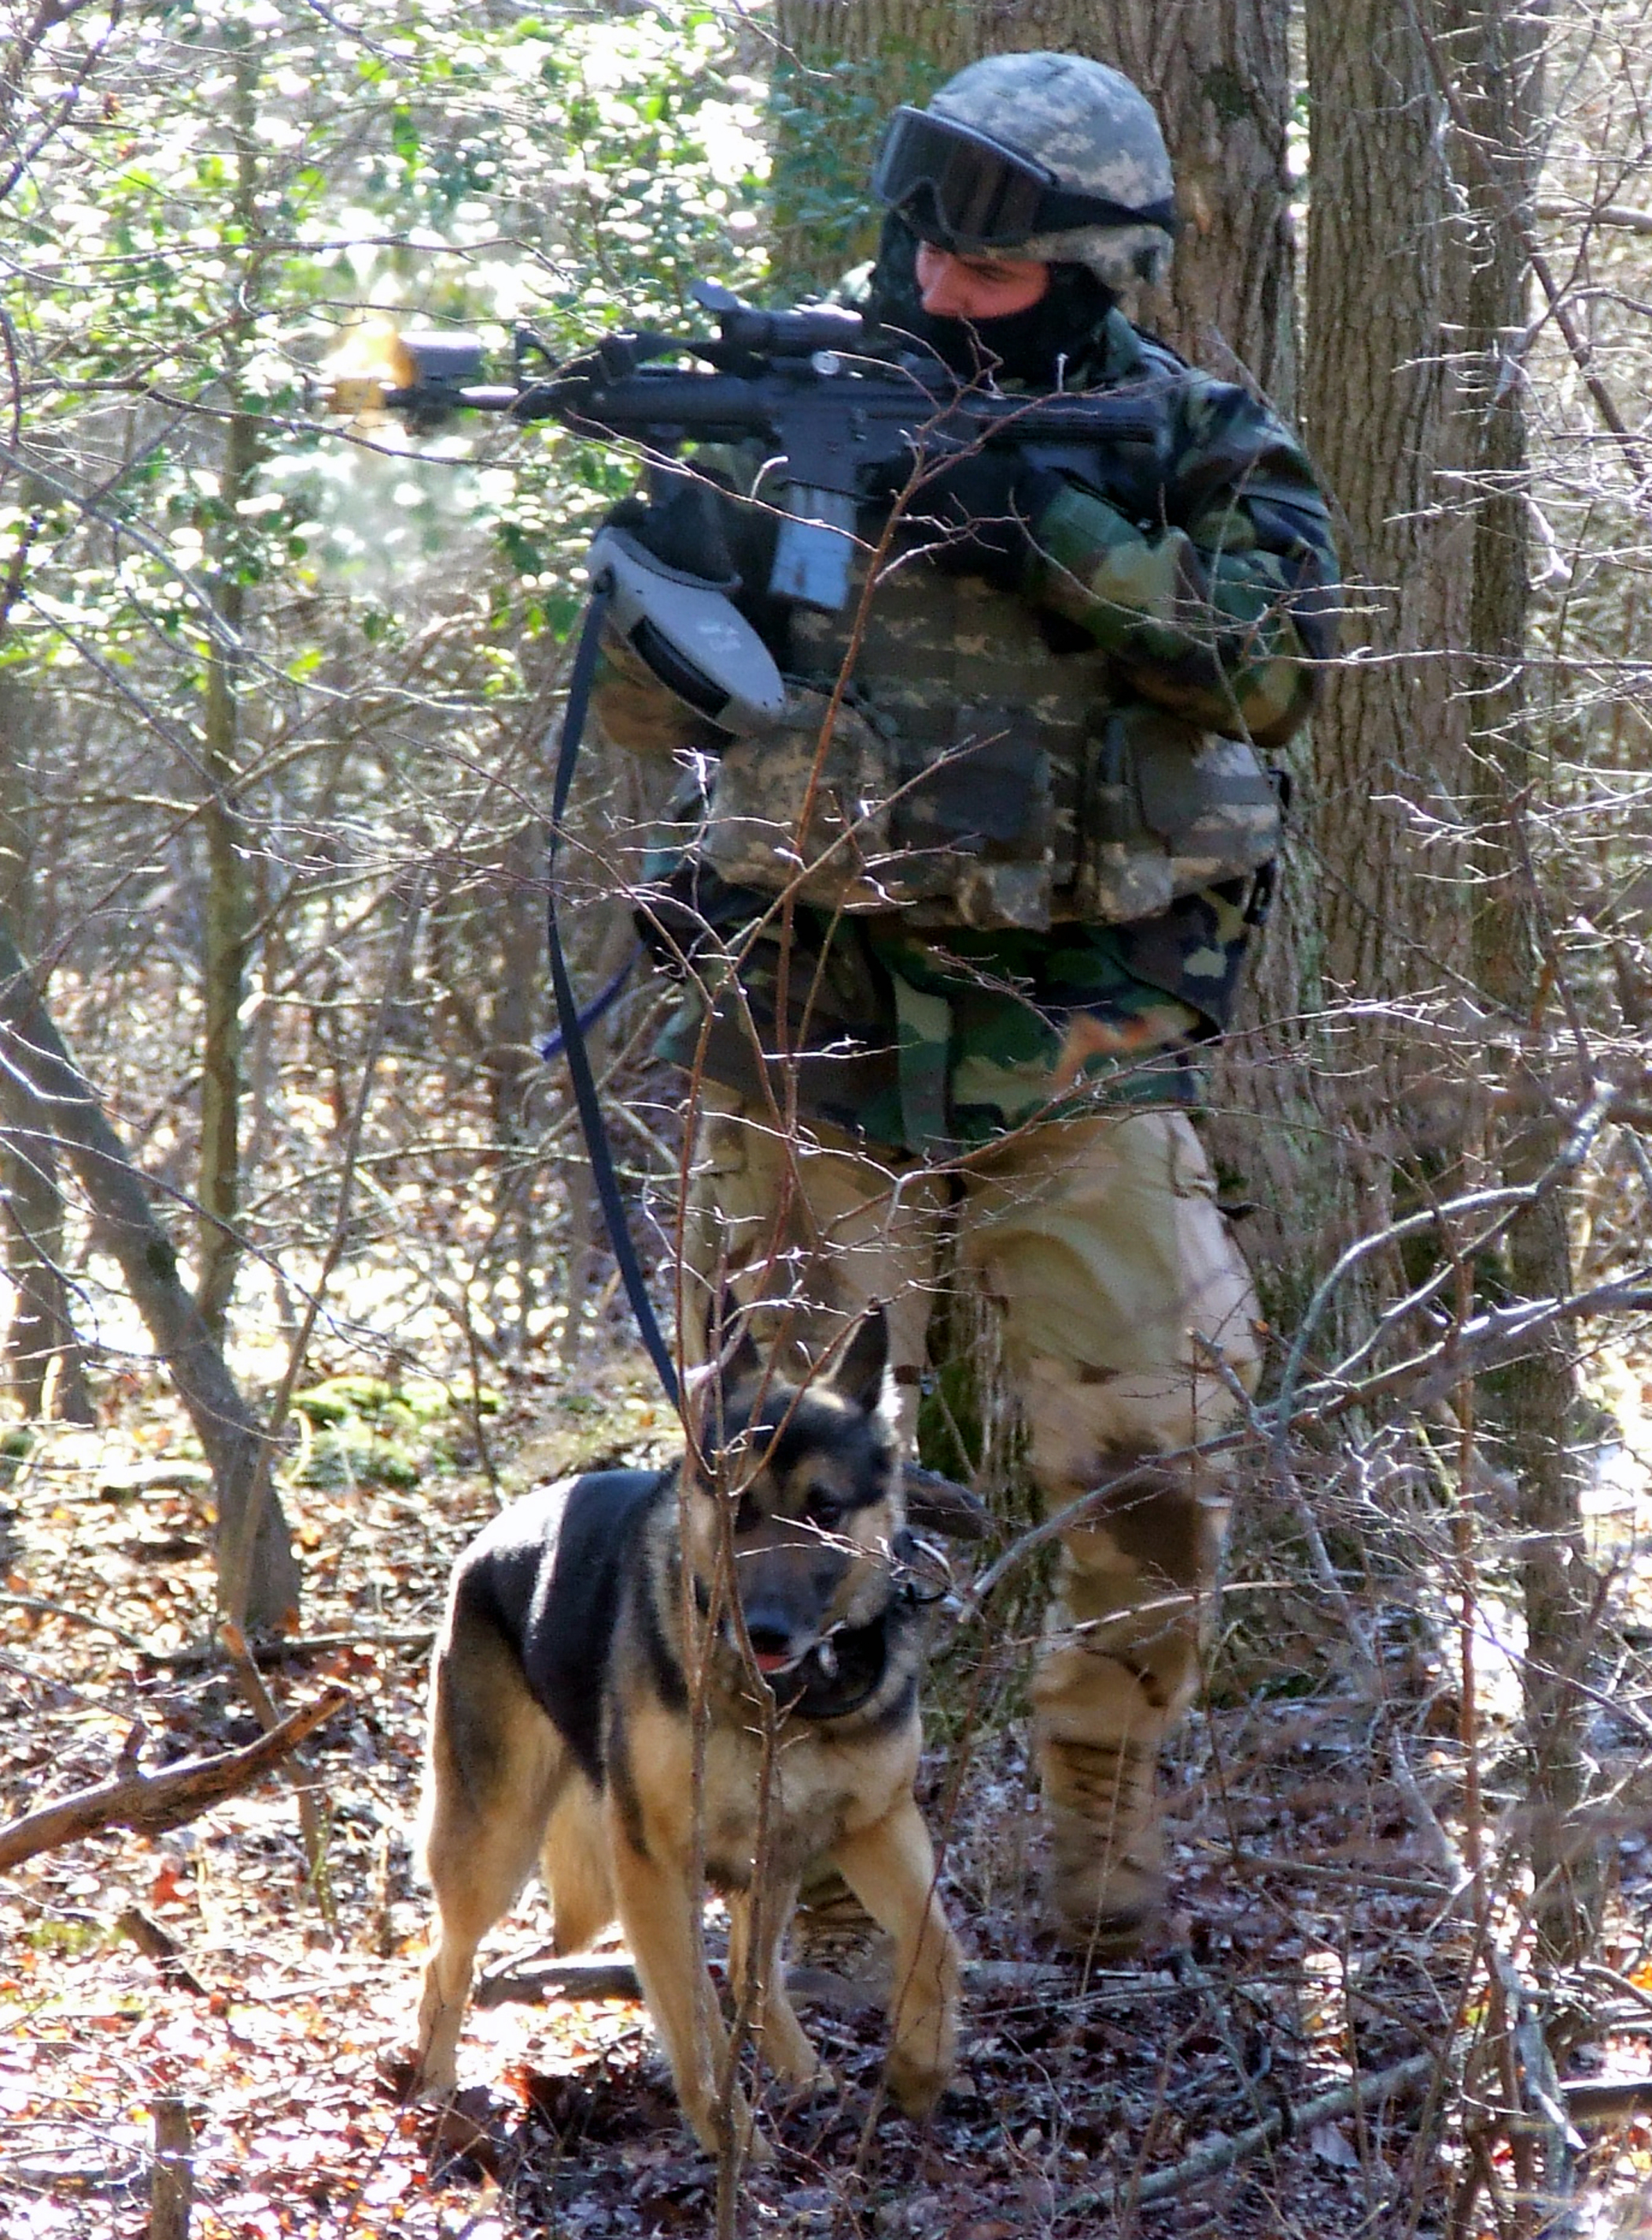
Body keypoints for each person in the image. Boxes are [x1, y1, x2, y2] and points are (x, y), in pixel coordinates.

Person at [588, 50, 1338, 1955]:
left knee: (1156, 1454)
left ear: (1098, 270)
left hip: (1080, 1045)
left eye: (992, 272)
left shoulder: (1199, 440)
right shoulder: (798, 420)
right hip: (805, 1035)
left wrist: (1048, 537)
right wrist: (676, 585)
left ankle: (1101, 1814)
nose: (938, 289)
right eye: (926, 251)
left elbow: (1262, 668)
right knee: (759, 1481)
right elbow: (652, 717)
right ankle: (803, 1878)